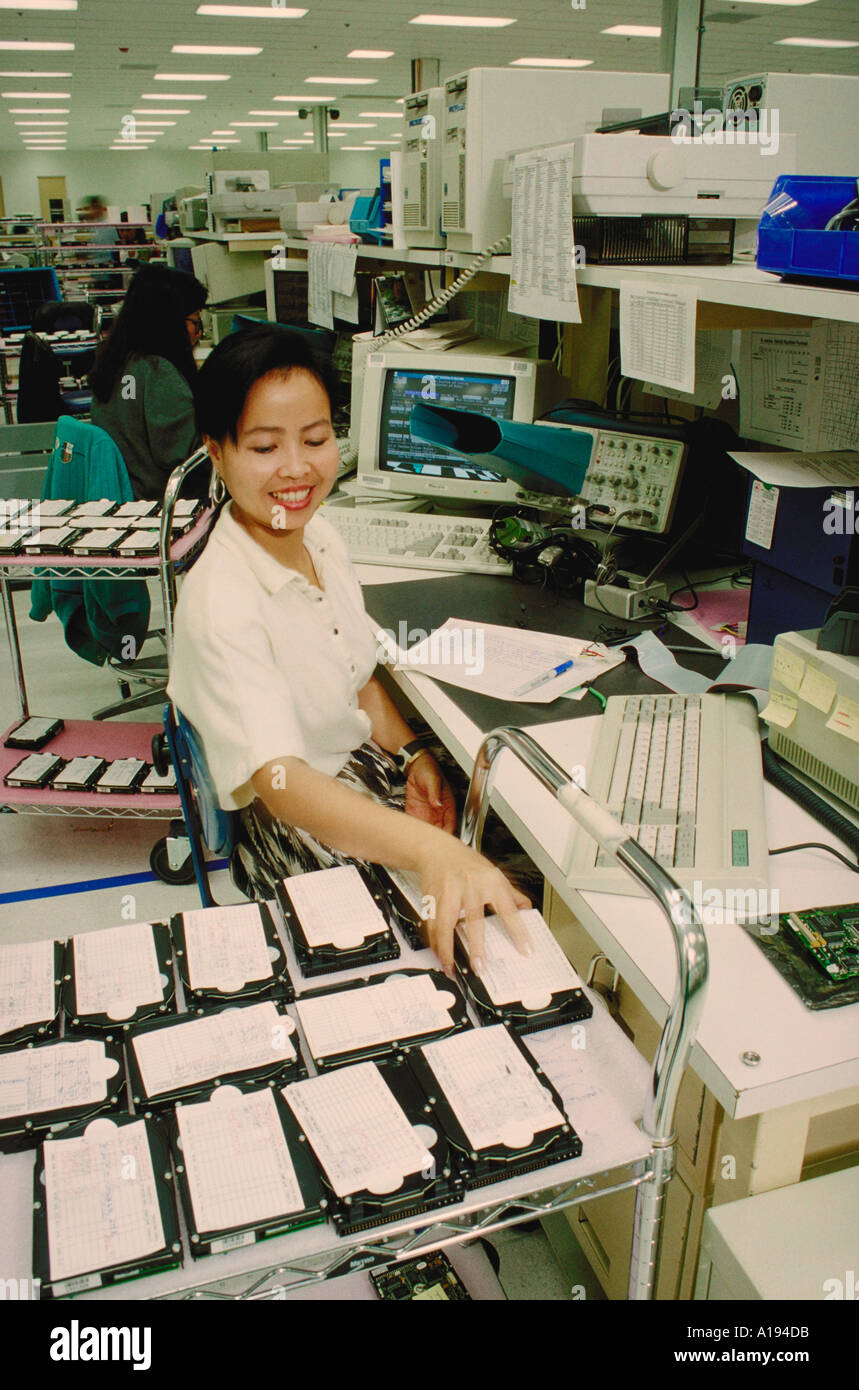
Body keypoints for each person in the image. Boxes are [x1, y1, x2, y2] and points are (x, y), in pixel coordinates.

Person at [167, 325, 533, 977]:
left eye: (314, 440)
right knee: (488, 921)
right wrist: (428, 850)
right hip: (296, 819)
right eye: (263, 446)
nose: (296, 470)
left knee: (528, 828)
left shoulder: (320, 539)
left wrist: (412, 751)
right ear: (216, 453)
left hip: (362, 767)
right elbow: (281, 784)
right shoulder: (222, 599)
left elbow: (356, 672)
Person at [89, 263, 208, 499]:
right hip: (159, 501)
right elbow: (188, 456)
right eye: (195, 321)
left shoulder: (117, 363)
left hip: (127, 495)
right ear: (170, 322)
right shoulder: (158, 373)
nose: (199, 333)